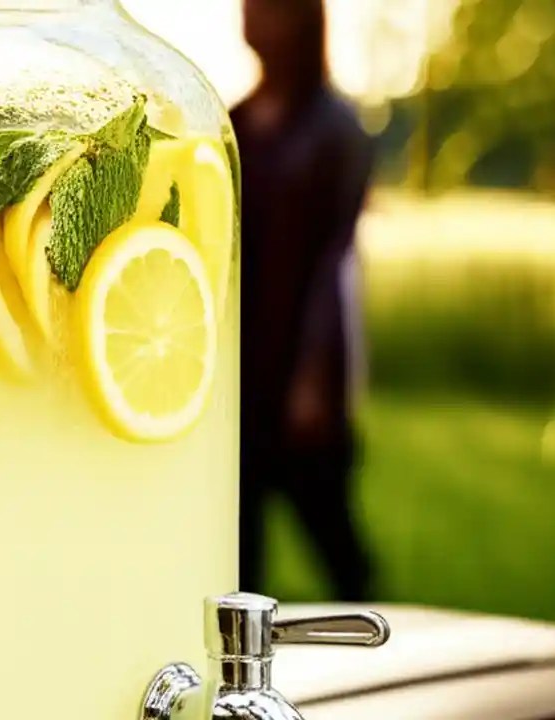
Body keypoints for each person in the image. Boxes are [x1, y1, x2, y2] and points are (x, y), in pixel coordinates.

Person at [231, 0, 375, 601]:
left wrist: (314, 379)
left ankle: (375, 631)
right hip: (243, 361)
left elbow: (333, 260)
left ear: (299, 22)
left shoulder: (338, 131)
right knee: (238, 540)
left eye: (264, 9)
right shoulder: (232, 122)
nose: (247, 17)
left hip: (306, 357)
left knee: (330, 528)